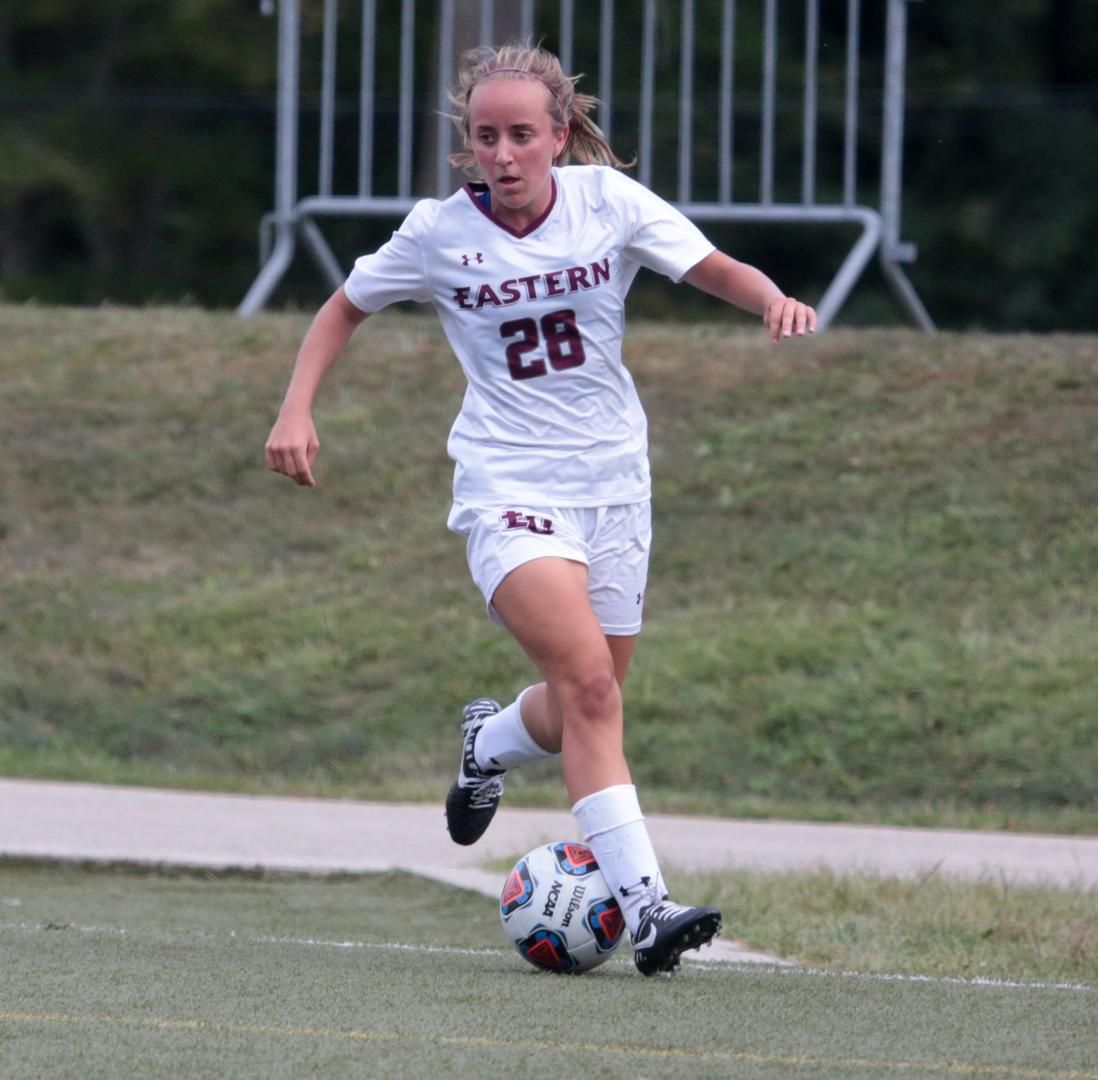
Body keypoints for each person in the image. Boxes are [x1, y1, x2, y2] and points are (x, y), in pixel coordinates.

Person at [265, 42, 816, 977]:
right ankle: (648, 909)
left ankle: (489, 740)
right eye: (486, 137)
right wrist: (295, 406)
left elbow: (711, 267)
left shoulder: (609, 204)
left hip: (614, 486)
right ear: (469, 146)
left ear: (560, 135)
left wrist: (771, 298)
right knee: (593, 688)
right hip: (507, 487)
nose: (505, 154)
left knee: (582, 704)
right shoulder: (438, 234)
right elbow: (342, 309)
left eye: (523, 134)